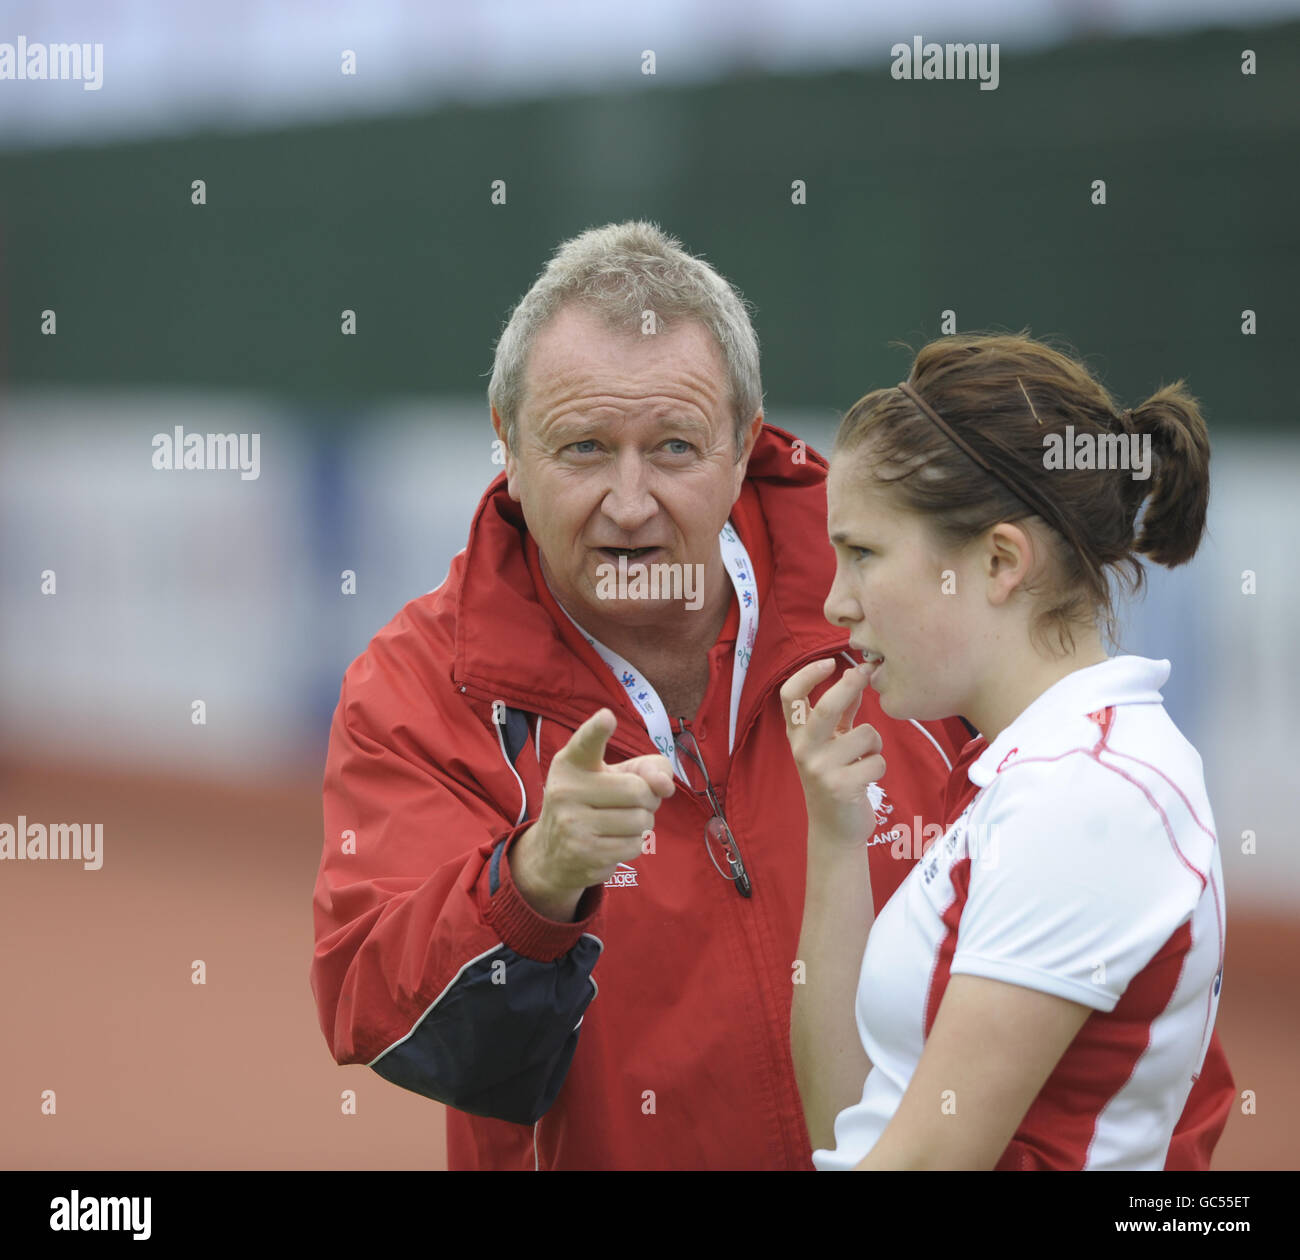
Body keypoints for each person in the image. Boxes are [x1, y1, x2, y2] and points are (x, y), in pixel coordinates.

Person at [308, 220, 970, 1170]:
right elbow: (373, 1009)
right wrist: (532, 880)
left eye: (673, 448)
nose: (629, 503)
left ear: (744, 445)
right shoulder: (419, 684)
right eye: (582, 448)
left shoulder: (902, 606)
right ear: (508, 446)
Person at [785, 332, 1231, 1170]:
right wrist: (839, 840)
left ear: (998, 561)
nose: (837, 602)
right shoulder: (1031, 770)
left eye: (863, 554)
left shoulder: (1086, 797)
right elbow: (850, 1131)